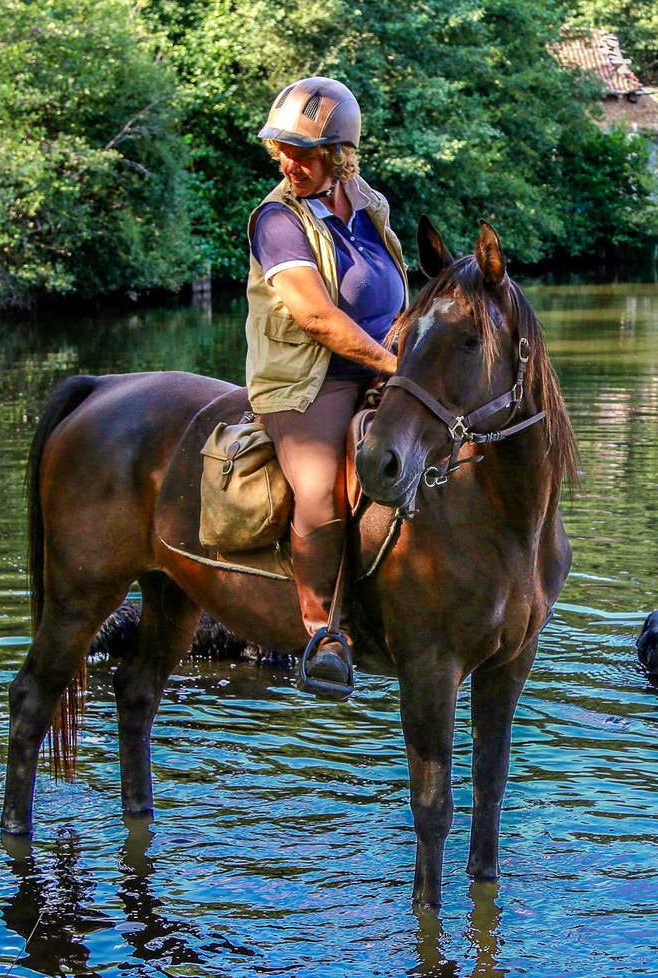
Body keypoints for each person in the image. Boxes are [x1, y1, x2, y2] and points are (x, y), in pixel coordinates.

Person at [245, 76, 407, 697]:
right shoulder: (275, 220)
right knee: (318, 490)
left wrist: (405, 350)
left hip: (380, 368)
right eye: (281, 151)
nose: (289, 164)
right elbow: (316, 317)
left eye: (303, 153)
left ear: (340, 157)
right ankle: (323, 634)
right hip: (307, 384)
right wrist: (395, 369)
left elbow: (390, 296)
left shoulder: (369, 205)